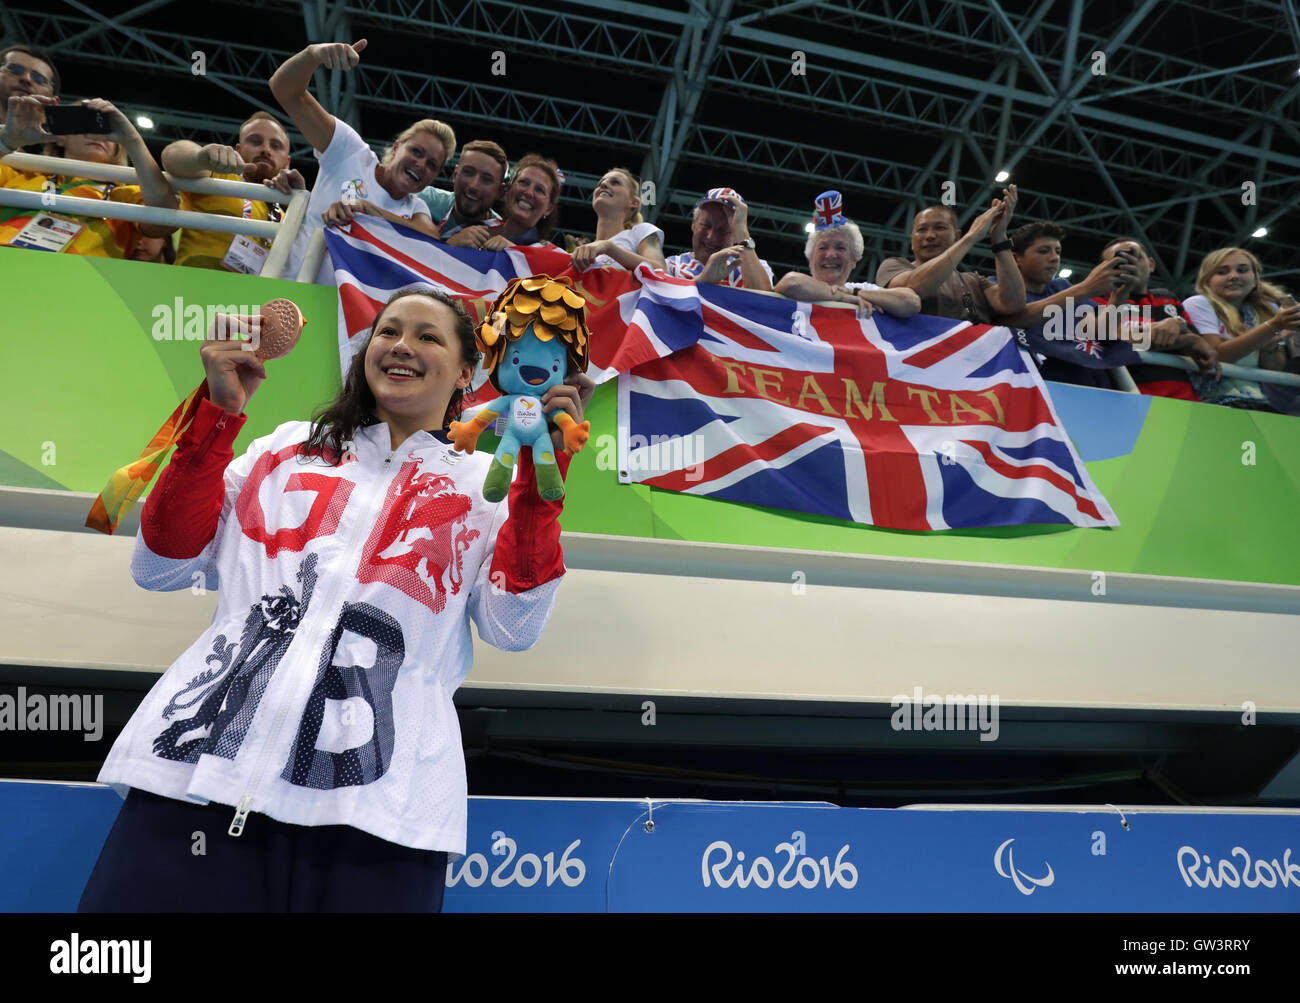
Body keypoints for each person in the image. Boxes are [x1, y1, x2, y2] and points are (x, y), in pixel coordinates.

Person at [79, 286, 593, 912]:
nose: (402, 346)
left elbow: (514, 627)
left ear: (468, 371)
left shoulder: (490, 489)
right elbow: (160, 566)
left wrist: (541, 492)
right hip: (196, 783)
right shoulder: (284, 449)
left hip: (377, 820)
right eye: (389, 331)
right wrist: (216, 421)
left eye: (428, 337)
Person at [270, 38, 452, 279]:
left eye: (432, 165)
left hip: (346, 314)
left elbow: (430, 237)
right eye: (416, 152)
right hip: (290, 291)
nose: (421, 164)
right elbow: (284, 88)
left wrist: (368, 209)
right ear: (396, 147)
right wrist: (313, 55)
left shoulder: (414, 207)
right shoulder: (349, 150)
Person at [0, 94, 177, 257]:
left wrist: (133, 140)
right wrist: (6, 141)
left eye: (104, 127)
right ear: (61, 137)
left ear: (117, 146)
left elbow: (165, 222)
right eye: (84, 122)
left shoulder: (125, 195)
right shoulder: (19, 172)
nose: (98, 134)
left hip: (81, 283)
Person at [992, 221, 1136, 388]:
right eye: (1043, 251)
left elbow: (1099, 331)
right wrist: (1086, 288)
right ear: (1016, 258)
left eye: (1058, 251)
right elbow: (1015, 318)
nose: (1054, 258)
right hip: (1035, 389)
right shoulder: (996, 287)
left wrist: (1121, 294)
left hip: (1092, 387)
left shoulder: (1062, 287)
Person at [162, 111, 300, 273]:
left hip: (253, 296)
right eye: (256, 142)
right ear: (239, 150)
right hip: (189, 293)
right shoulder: (218, 178)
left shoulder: (287, 219)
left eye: (276, 146)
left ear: (287, 162)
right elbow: (172, 155)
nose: (265, 149)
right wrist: (200, 157)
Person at [1090, 237, 1218, 400]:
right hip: (1126, 398)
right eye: (1119, 259)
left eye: (1136, 257)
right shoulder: (1095, 301)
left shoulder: (1168, 298)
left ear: (1151, 264)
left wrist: (1180, 324)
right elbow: (1117, 340)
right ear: (1103, 269)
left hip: (1185, 400)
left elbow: (1202, 350)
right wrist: (1190, 339)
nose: (1129, 263)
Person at [876, 189, 1025, 322]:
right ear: (912, 241)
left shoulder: (974, 281)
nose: (930, 236)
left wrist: (999, 238)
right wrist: (971, 237)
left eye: (940, 227)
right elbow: (911, 289)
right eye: (922, 229)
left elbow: (1013, 304)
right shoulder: (894, 266)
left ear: (956, 236)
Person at [1183, 247, 1300, 410]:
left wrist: (1272, 343)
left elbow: (1273, 370)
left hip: (1258, 402)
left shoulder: (1267, 310)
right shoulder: (1198, 303)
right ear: (1207, 280)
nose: (1233, 276)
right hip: (1209, 402)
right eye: (1222, 272)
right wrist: (1274, 326)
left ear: (1255, 278)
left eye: (1242, 270)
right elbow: (1216, 357)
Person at [775, 190, 920, 317]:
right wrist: (842, 298)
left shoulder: (862, 290)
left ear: (854, 260)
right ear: (810, 259)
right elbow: (791, 282)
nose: (831, 254)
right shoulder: (799, 288)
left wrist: (853, 293)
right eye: (823, 248)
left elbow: (911, 302)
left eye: (840, 248)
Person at [663, 187, 772, 290]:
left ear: (736, 237)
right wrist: (703, 281)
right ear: (693, 224)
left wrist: (742, 231)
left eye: (723, 231)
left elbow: (764, 302)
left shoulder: (756, 268)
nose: (711, 237)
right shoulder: (671, 266)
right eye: (706, 225)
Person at [570, 167, 665, 271]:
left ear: (633, 203)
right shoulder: (582, 253)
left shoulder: (642, 231)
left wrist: (608, 248)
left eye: (615, 182)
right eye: (600, 183)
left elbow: (660, 270)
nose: (603, 184)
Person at [417, 139, 507, 246]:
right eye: (468, 173)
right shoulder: (424, 200)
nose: (474, 186)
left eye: (486, 180)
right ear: (455, 175)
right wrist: (451, 246)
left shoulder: (500, 233)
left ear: (500, 192)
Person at [481, 153, 561, 250]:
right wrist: (456, 241)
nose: (528, 193)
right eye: (523, 182)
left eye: (539, 190)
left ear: (548, 209)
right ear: (509, 188)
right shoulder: (474, 229)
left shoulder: (548, 257)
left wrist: (516, 254)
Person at [0, 44, 58, 150]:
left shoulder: (52, 161)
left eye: (39, 78)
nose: (26, 78)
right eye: (15, 69)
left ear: (52, 98)